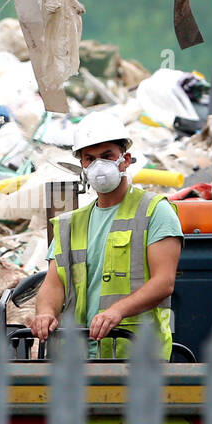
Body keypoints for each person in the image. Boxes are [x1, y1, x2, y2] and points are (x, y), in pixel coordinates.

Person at [30, 113, 183, 358]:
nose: (98, 165)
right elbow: (53, 283)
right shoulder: (70, 223)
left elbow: (163, 282)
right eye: (89, 158)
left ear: (126, 160)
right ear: (81, 164)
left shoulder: (155, 211)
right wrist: (45, 312)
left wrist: (117, 311)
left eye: (107, 156)